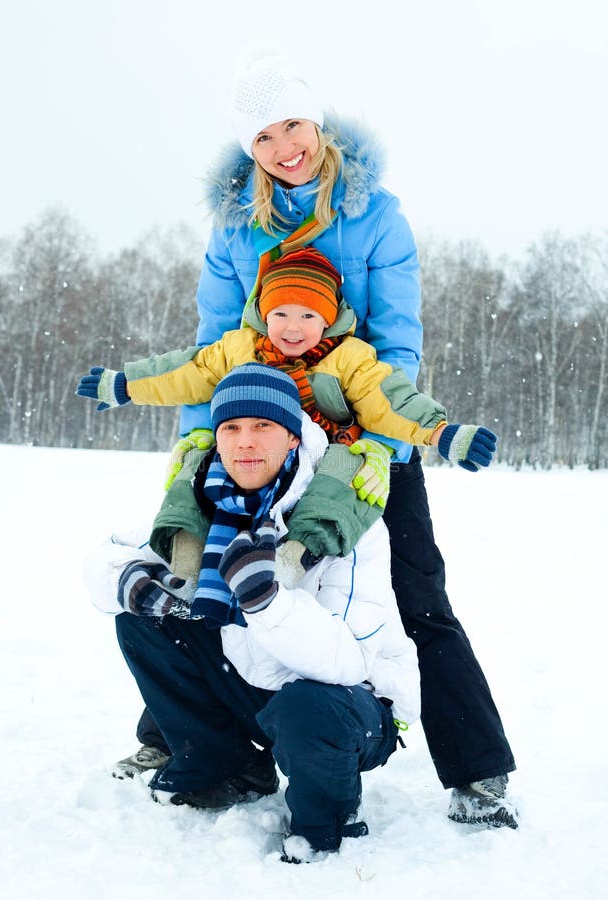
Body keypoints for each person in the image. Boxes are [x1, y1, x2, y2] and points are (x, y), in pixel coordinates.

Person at [102, 54, 517, 829]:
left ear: (315, 123)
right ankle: (180, 737)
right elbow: (211, 350)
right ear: (248, 148)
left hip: (365, 431)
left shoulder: (377, 214)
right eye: (262, 136)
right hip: (256, 435)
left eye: (292, 124)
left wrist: (380, 449)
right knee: (206, 572)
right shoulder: (235, 227)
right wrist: (199, 452)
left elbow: (396, 338)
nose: (283, 146)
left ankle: (476, 770)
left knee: (416, 592)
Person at [86, 364, 421, 863]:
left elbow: (347, 662)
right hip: (255, 681)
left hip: (354, 705)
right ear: (217, 439)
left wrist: (267, 601)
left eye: (262, 426)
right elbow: (107, 558)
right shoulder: (201, 499)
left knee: (309, 707)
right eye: (231, 428)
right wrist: (133, 583)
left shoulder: (343, 518)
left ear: (291, 437)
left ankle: (323, 822)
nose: (246, 442)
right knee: (140, 619)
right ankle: (230, 768)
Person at [76, 244, 498, 563]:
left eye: (308, 316)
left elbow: (387, 399)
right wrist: (127, 385)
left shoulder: (347, 357)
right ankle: (185, 546)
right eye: (280, 314)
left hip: (319, 451)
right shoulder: (241, 348)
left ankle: (301, 549)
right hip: (254, 449)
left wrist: (441, 432)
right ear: (263, 312)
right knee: (198, 461)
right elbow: (189, 371)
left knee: (348, 472)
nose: (292, 329)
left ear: (329, 319)